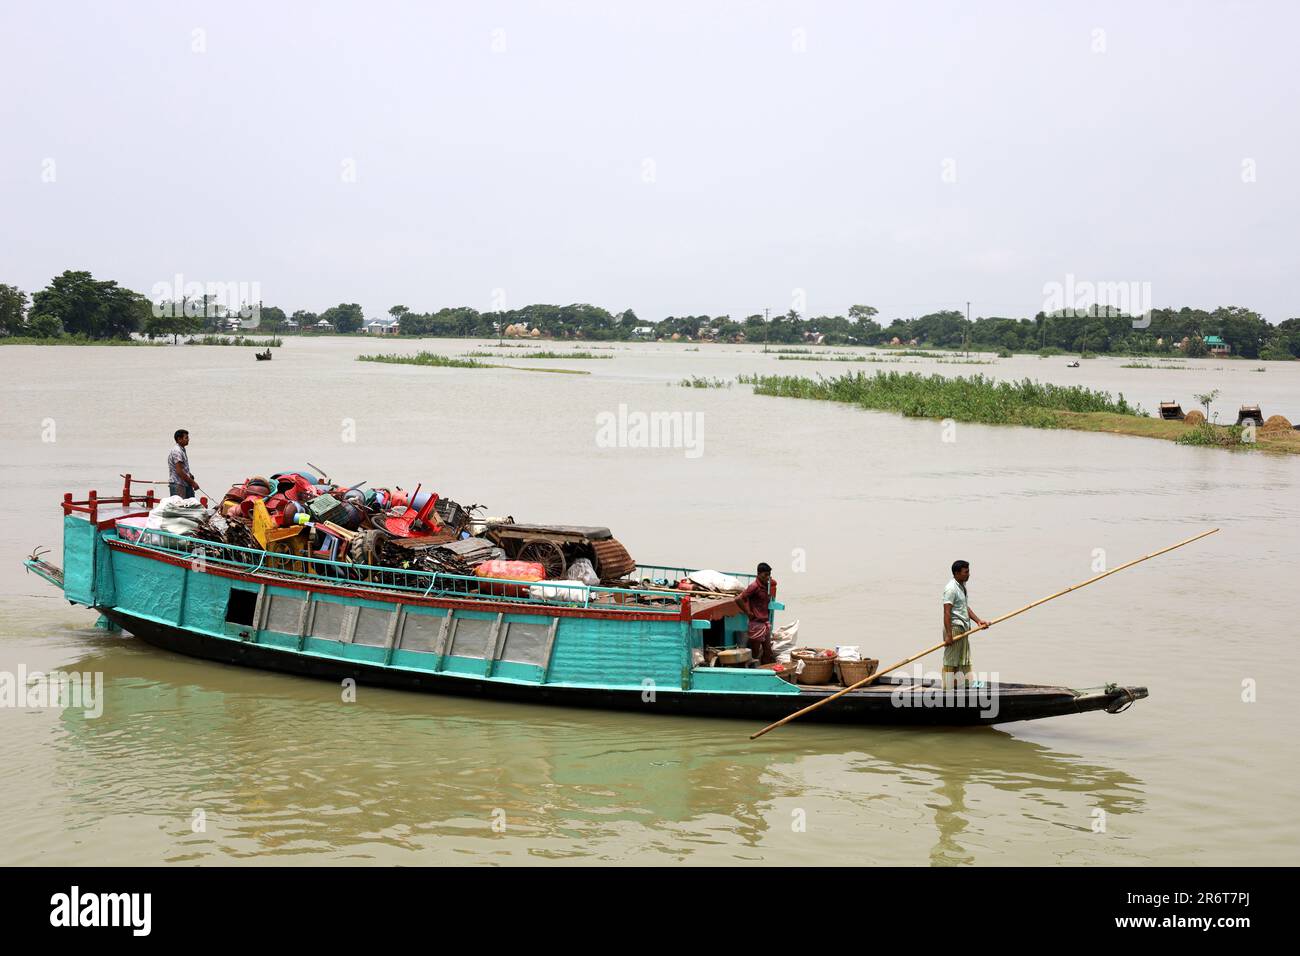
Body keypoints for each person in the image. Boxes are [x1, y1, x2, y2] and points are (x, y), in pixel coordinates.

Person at [942, 560, 990, 688]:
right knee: (951, 660)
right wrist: (948, 635)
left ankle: (962, 685)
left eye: (968, 571)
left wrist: (978, 621)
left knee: (962, 658)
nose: (969, 574)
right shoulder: (951, 588)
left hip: (963, 627)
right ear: (957, 573)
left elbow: (964, 607)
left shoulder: (961, 586)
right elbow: (947, 612)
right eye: (966, 572)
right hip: (953, 628)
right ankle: (948, 688)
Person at [738, 562, 777, 664]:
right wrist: (748, 612)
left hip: (765, 623)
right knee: (754, 653)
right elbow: (739, 599)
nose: (767, 578)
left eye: (769, 575)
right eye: (765, 575)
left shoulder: (765, 586)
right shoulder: (754, 586)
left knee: (768, 651)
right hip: (756, 624)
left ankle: (766, 671)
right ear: (758, 574)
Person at [168, 429, 197, 500]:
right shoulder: (177, 451)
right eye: (186, 438)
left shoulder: (182, 449)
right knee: (181, 508)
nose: (188, 439)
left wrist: (189, 474)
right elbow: (179, 471)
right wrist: (193, 483)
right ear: (179, 439)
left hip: (184, 483)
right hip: (178, 485)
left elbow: (182, 467)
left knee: (190, 506)